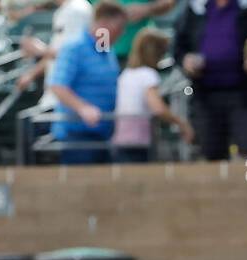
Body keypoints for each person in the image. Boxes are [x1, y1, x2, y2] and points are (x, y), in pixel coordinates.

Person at [173, 0, 247, 161]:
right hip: (206, 95)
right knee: (211, 153)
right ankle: (215, 187)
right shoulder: (195, 9)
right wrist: (185, 60)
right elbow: (179, 46)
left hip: (245, 95)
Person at [47, 1, 126, 164]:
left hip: (105, 134)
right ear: (103, 25)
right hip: (78, 136)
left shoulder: (107, 50)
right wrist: (83, 108)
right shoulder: (74, 47)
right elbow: (57, 86)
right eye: (118, 28)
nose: (121, 33)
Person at [111, 27, 193, 163]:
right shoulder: (148, 75)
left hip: (121, 140)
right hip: (138, 141)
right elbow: (158, 108)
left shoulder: (126, 75)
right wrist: (181, 123)